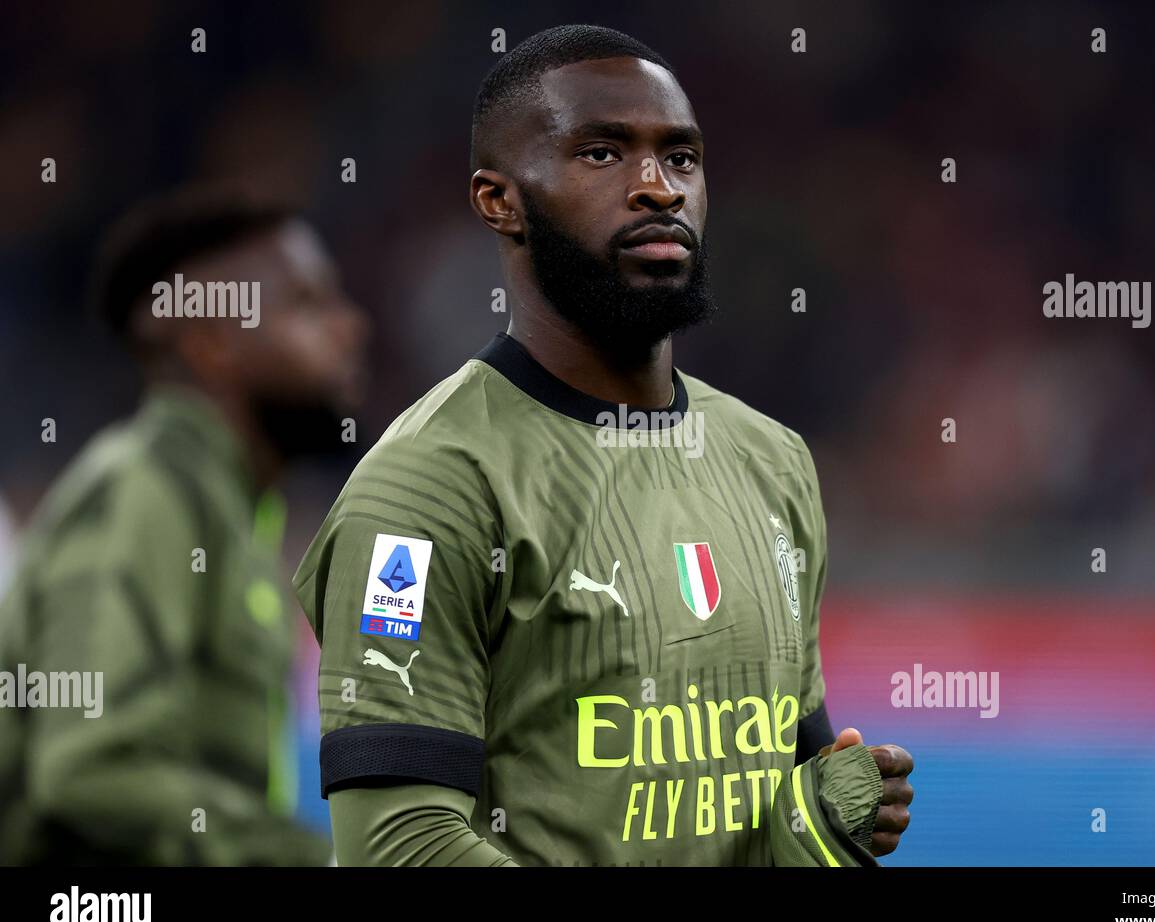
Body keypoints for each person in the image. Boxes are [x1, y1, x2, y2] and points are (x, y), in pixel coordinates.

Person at [296, 24, 914, 866]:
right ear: (498, 201)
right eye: (601, 154)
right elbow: (402, 847)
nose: (658, 187)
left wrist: (820, 823)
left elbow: (787, 789)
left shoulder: (773, 461)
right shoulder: (427, 487)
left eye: (682, 158)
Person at [0, 185, 367, 864]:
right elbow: (89, 768)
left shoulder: (223, 503)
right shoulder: (146, 489)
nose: (350, 328)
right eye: (308, 304)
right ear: (209, 345)